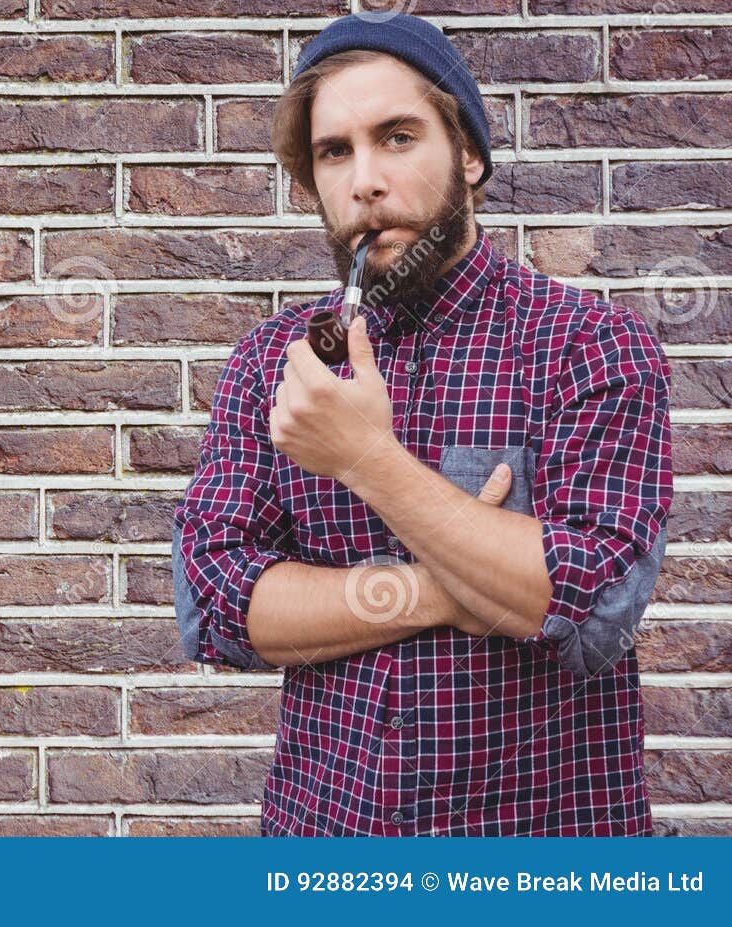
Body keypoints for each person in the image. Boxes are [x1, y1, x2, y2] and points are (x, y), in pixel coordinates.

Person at [172, 12, 673, 836]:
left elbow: (593, 605)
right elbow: (219, 604)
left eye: (397, 137)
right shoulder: (279, 363)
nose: (365, 179)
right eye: (335, 151)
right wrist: (447, 588)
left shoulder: (590, 347)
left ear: (468, 154)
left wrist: (368, 459)